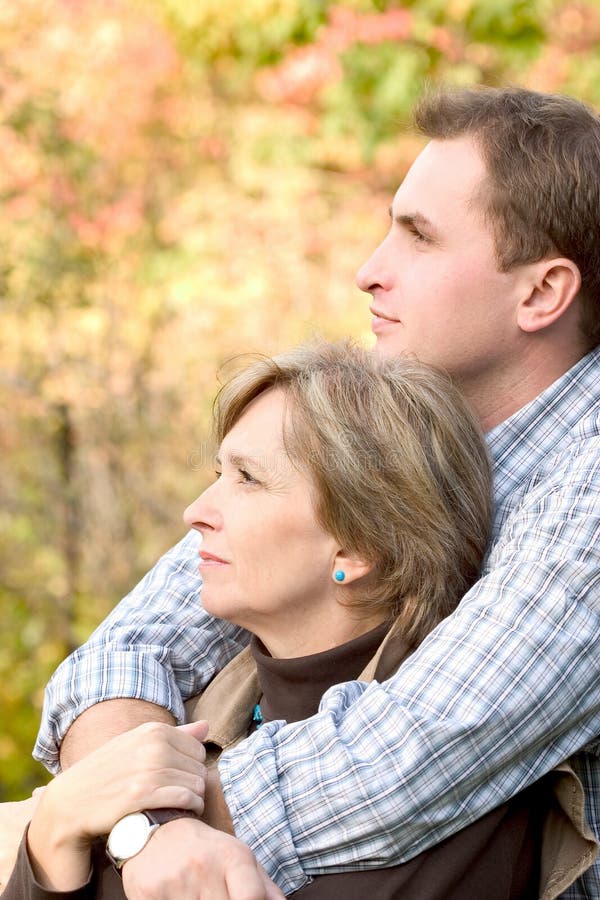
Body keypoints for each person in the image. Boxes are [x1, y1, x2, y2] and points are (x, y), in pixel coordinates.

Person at [26, 86, 600, 898]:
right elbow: (133, 649)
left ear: (541, 294)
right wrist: (141, 822)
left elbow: (401, 759)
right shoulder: (387, 431)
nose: (369, 272)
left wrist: (104, 820)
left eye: (419, 238)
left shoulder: (587, 486)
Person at [3, 341, 558, 899]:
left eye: (247, 478)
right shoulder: (175, 711)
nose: (196, 512)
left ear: (359, 546)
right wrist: (52, 833)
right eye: (219, 472)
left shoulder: (439, 802)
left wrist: (65, 833)